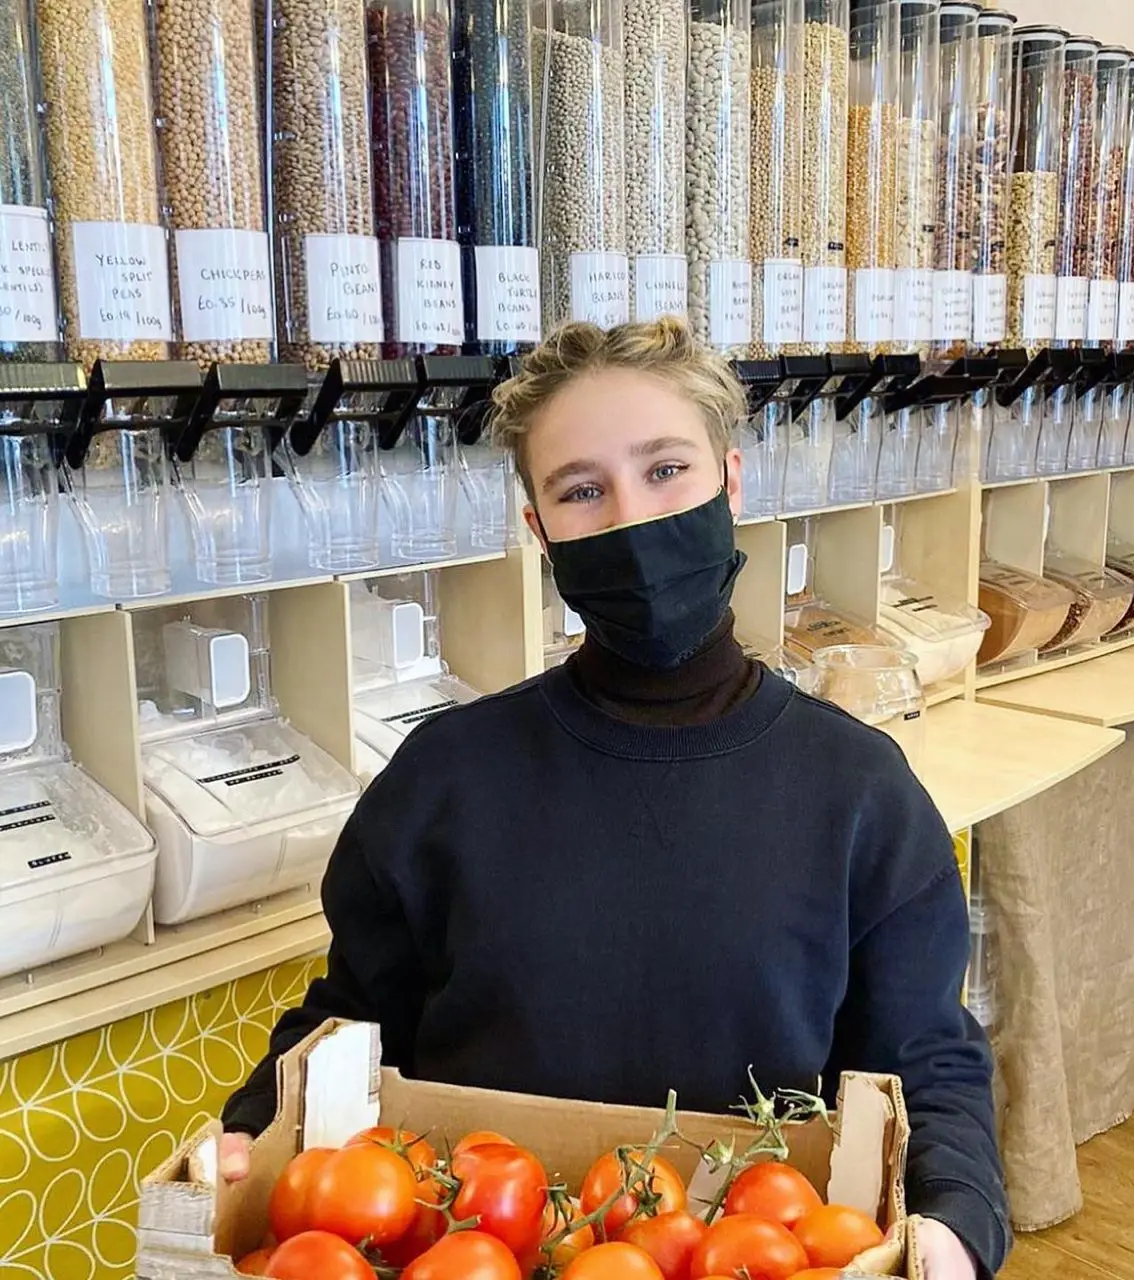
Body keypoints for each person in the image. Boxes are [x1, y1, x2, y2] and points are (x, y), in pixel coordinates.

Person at [218, 320, 1010, 1279]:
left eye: (666, 470)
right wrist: (249, 1137)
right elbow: (348, 1023)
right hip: (482, 1253)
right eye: (583, 491)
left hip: (746, 1256)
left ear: (732, 481)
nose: (631, 520)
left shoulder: (860, 794)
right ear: (538, 531)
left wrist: (954, 1226)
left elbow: (928, 1061)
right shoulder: (444, 780)